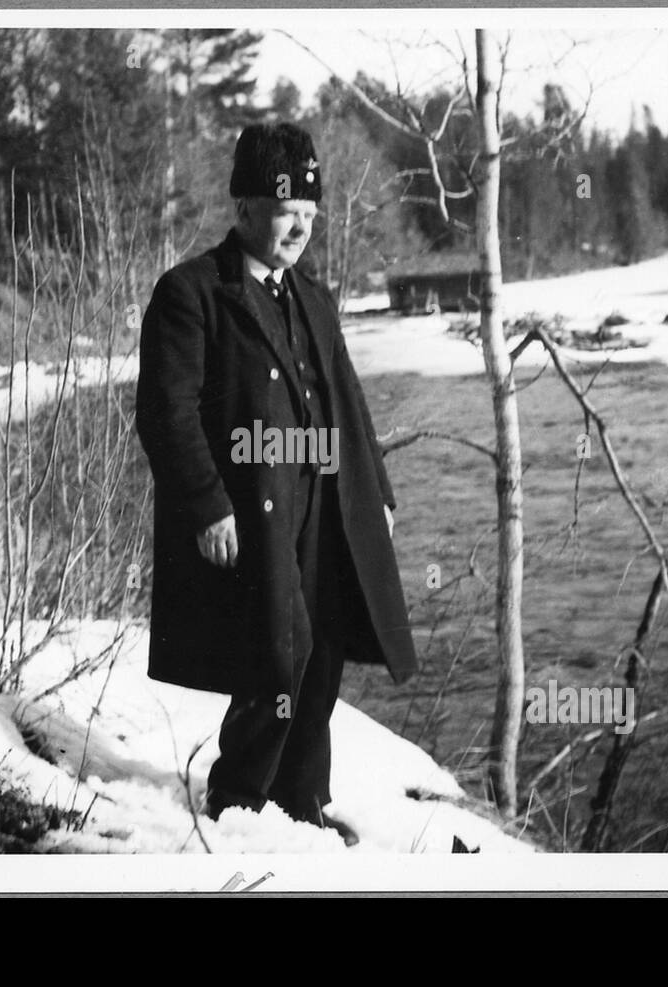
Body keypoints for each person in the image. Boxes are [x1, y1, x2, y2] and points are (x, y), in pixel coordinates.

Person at [135, 122, 418, 845]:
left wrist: (377, 495)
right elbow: (165, 411)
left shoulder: (313, 298)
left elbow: (348, 405)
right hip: (252, 511)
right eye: (288, 209)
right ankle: (239, 795)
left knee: (321, 651)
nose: (301, 227)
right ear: (245, 208)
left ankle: (302, 798)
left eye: (312, 216)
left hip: (321, 507)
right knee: (276, 650)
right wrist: (205, 504)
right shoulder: (192, 292)